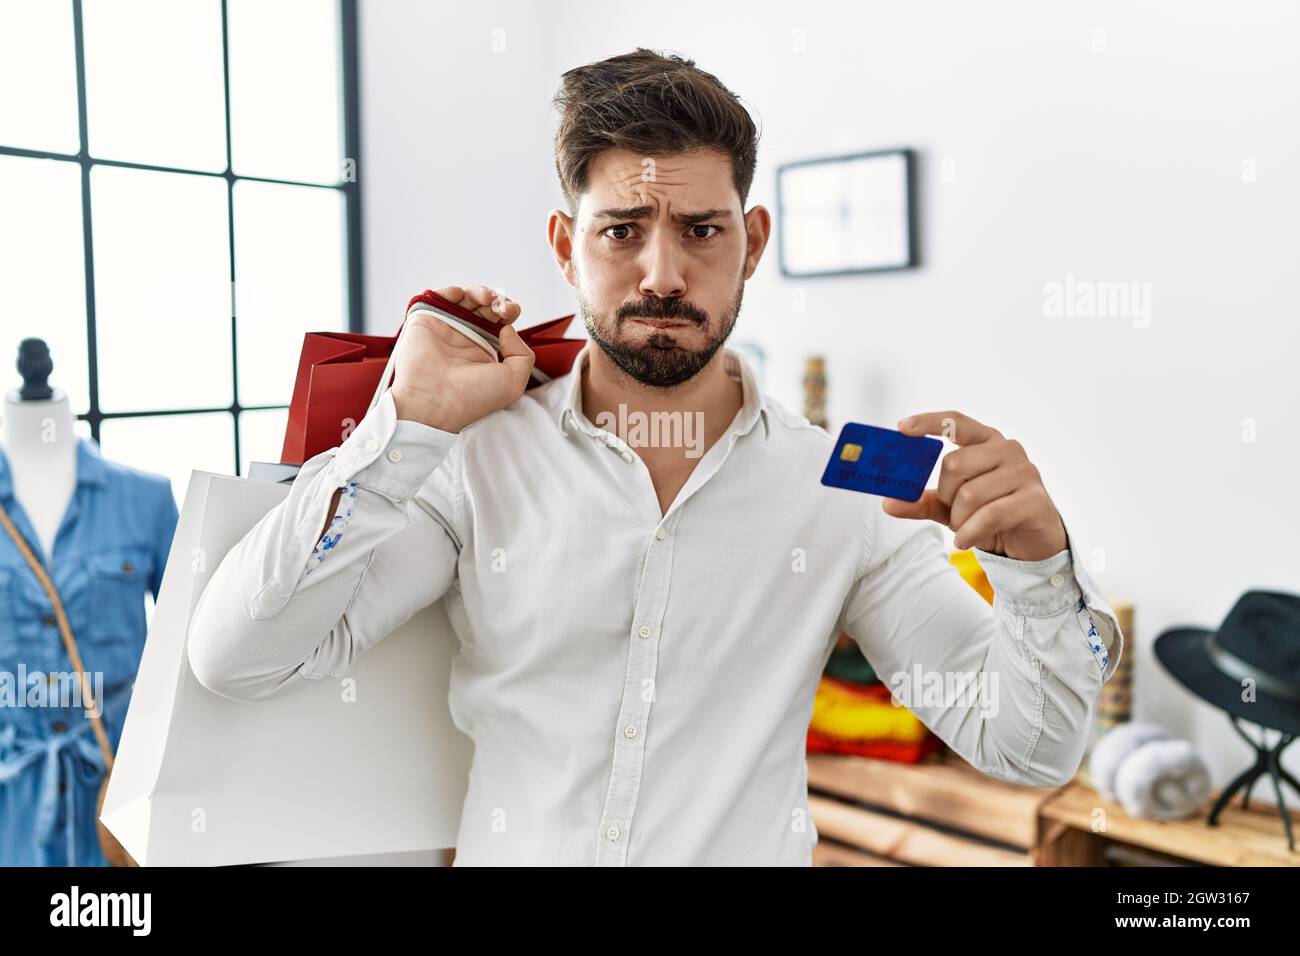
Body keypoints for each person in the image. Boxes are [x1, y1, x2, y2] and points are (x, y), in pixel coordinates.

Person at [187, 48, 1123, 866]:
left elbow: (1028, 750)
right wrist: (404, 424)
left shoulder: (845, 478)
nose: (664, 274)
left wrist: (1040, 569)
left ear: (752, 245)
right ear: (567, 247)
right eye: (622, 229)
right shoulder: (471, 459)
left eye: (701, 231)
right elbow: (238, 658)